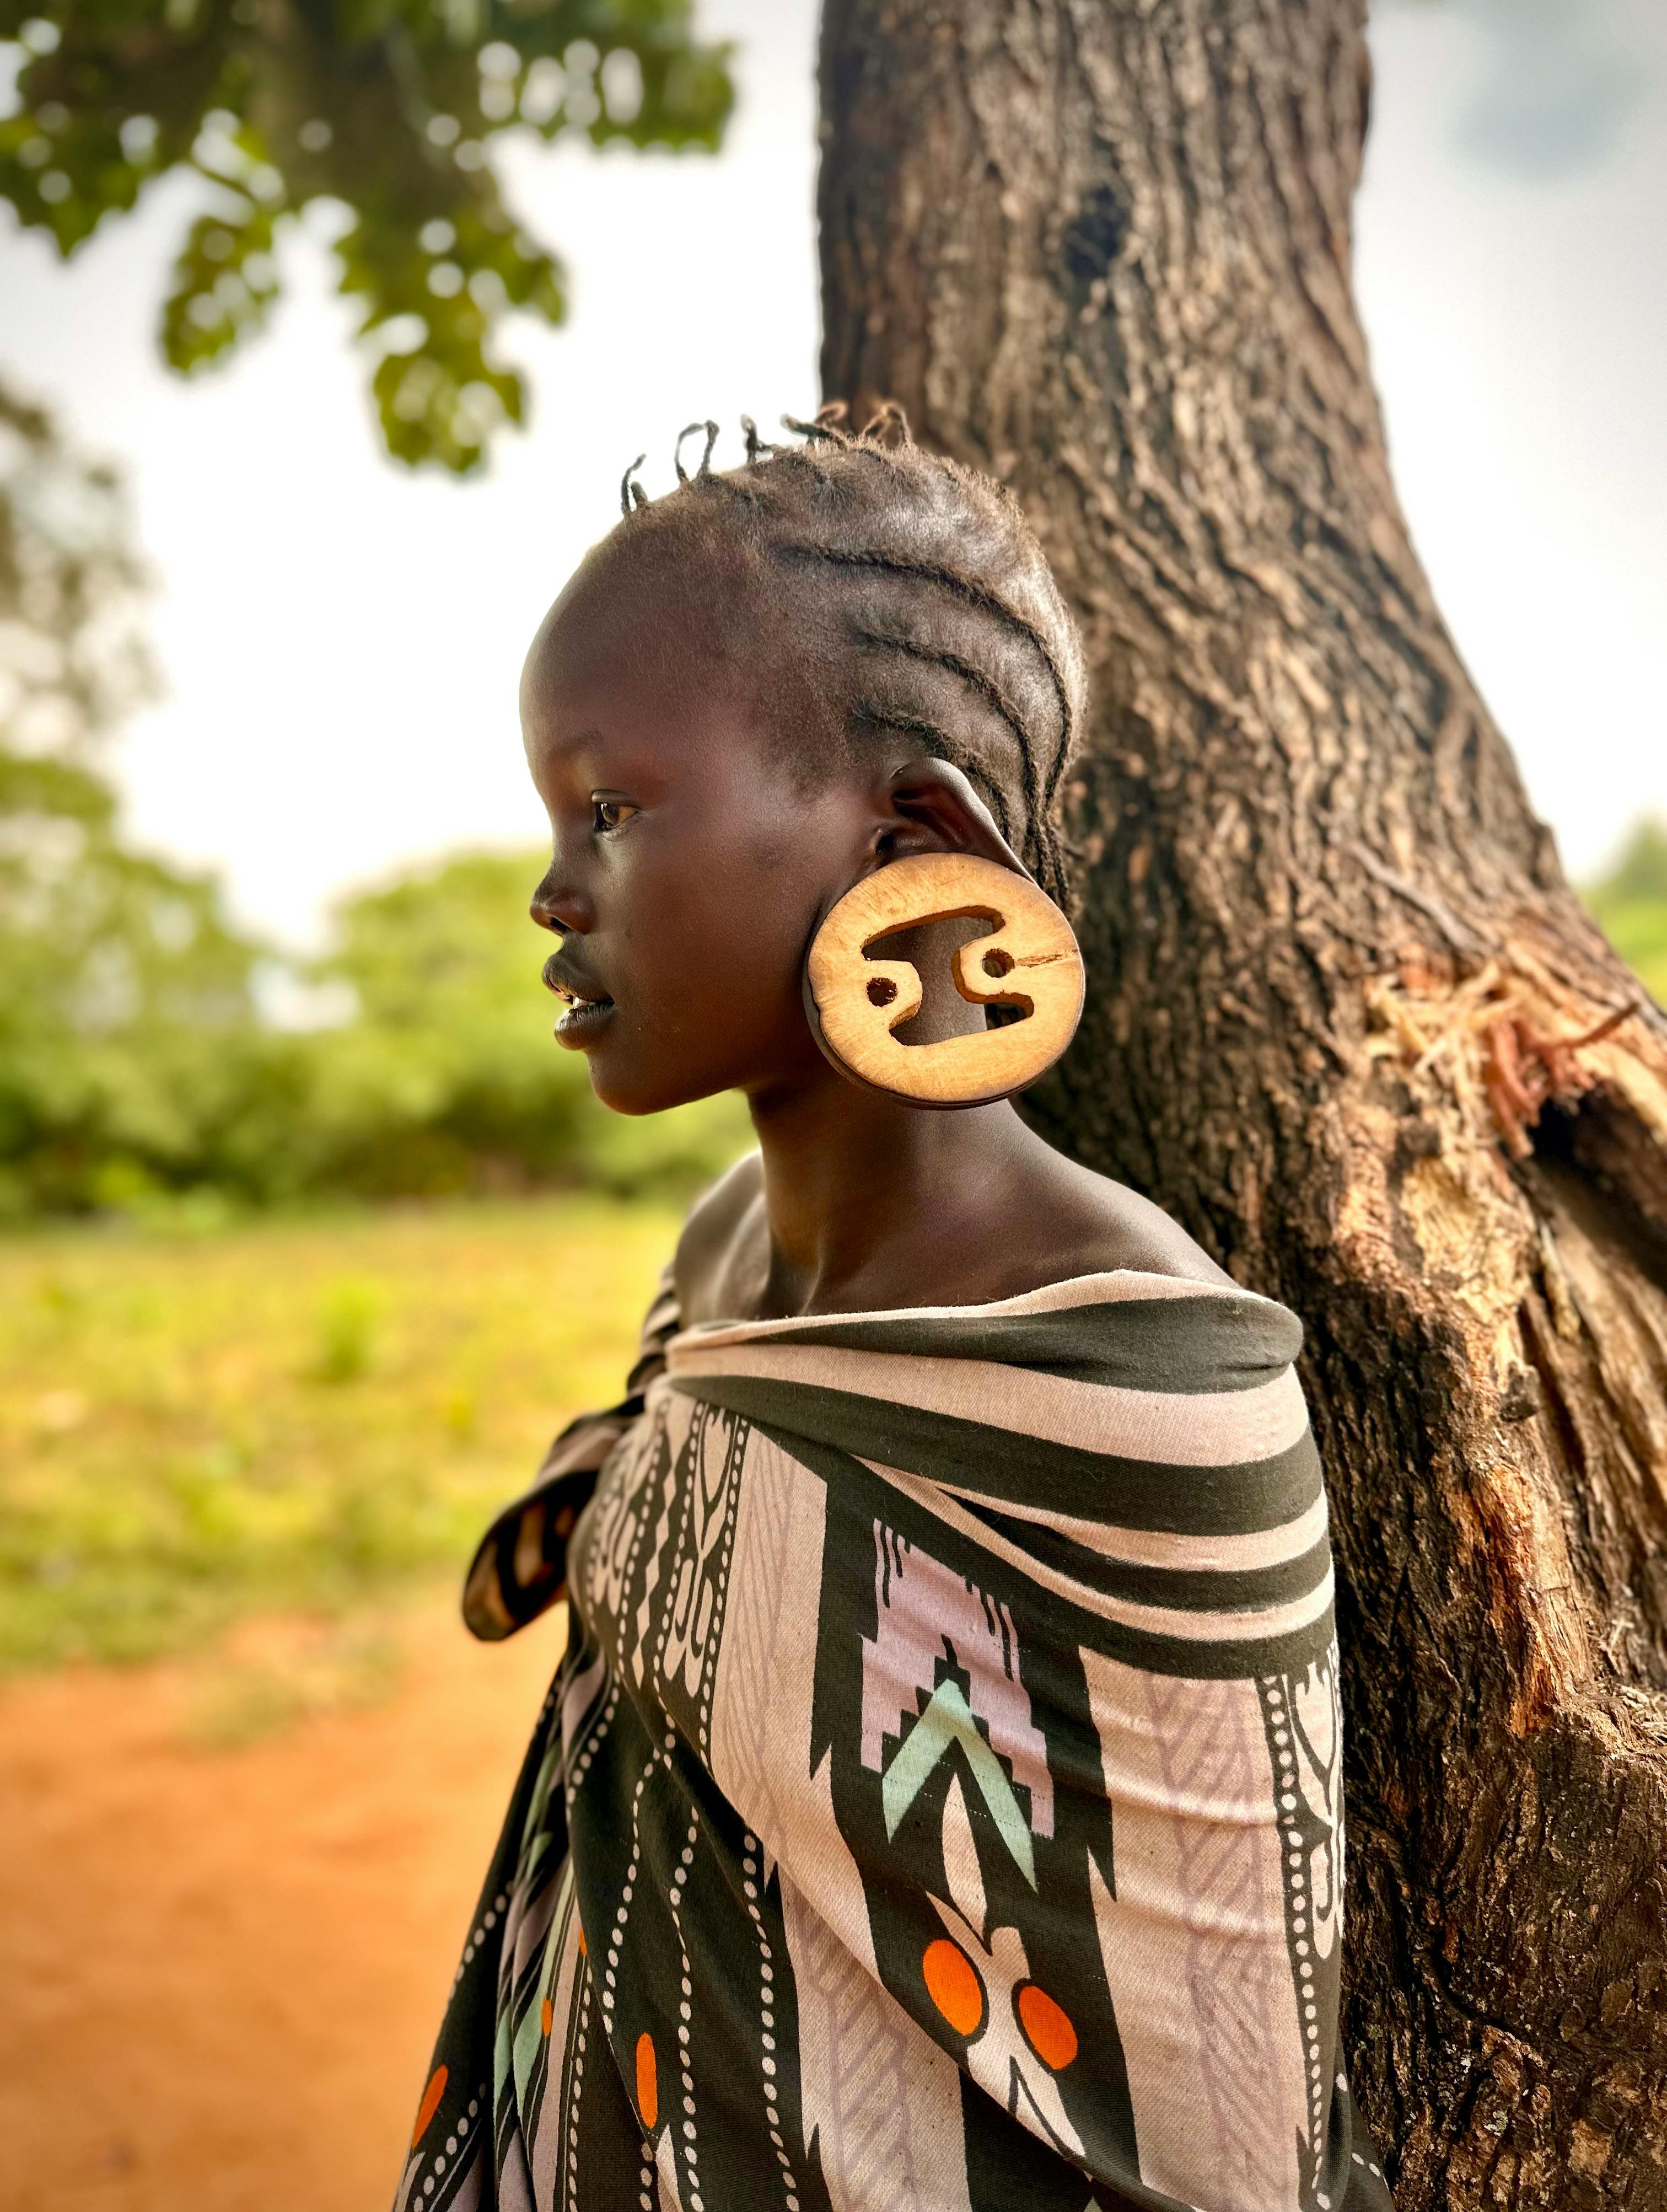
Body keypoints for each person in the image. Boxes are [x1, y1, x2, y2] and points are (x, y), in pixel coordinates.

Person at [393, 409, 1392, 2212]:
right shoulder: (715, 1261)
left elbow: (1226, 2104)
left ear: (906, 842)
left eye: (609, 810)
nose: (554, 892)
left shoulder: (1134, 1376)